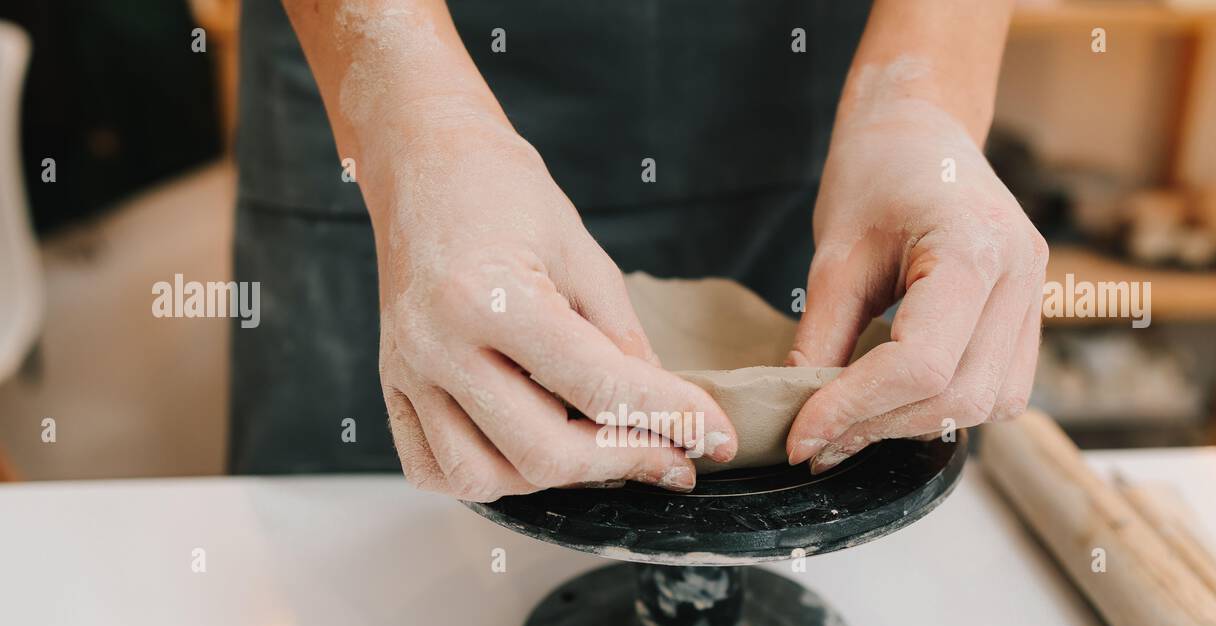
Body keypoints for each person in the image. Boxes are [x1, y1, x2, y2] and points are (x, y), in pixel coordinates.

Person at [232, 0, 1044, 499]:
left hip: (795, 65)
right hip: (390, 48)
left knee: (811, 441)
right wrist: (409, 123)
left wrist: (920, 95)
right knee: (366, 548)